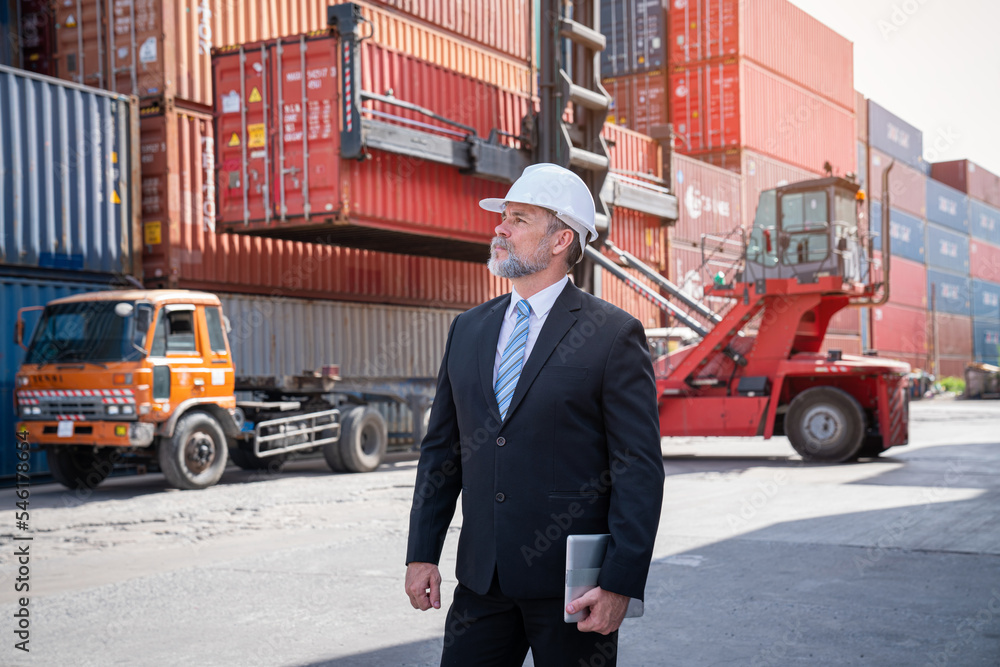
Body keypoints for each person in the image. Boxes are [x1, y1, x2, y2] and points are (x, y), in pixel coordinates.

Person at [405, 163, 665, 666]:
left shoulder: (612, 335)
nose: (500, 228)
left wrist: (620, 582)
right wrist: (421, 553)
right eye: (504, 216)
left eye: (519, 219)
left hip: (572, 590)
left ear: (561, 239)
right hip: (482, 582)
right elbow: (441, 452)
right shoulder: (468, 329)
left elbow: (638, 469)